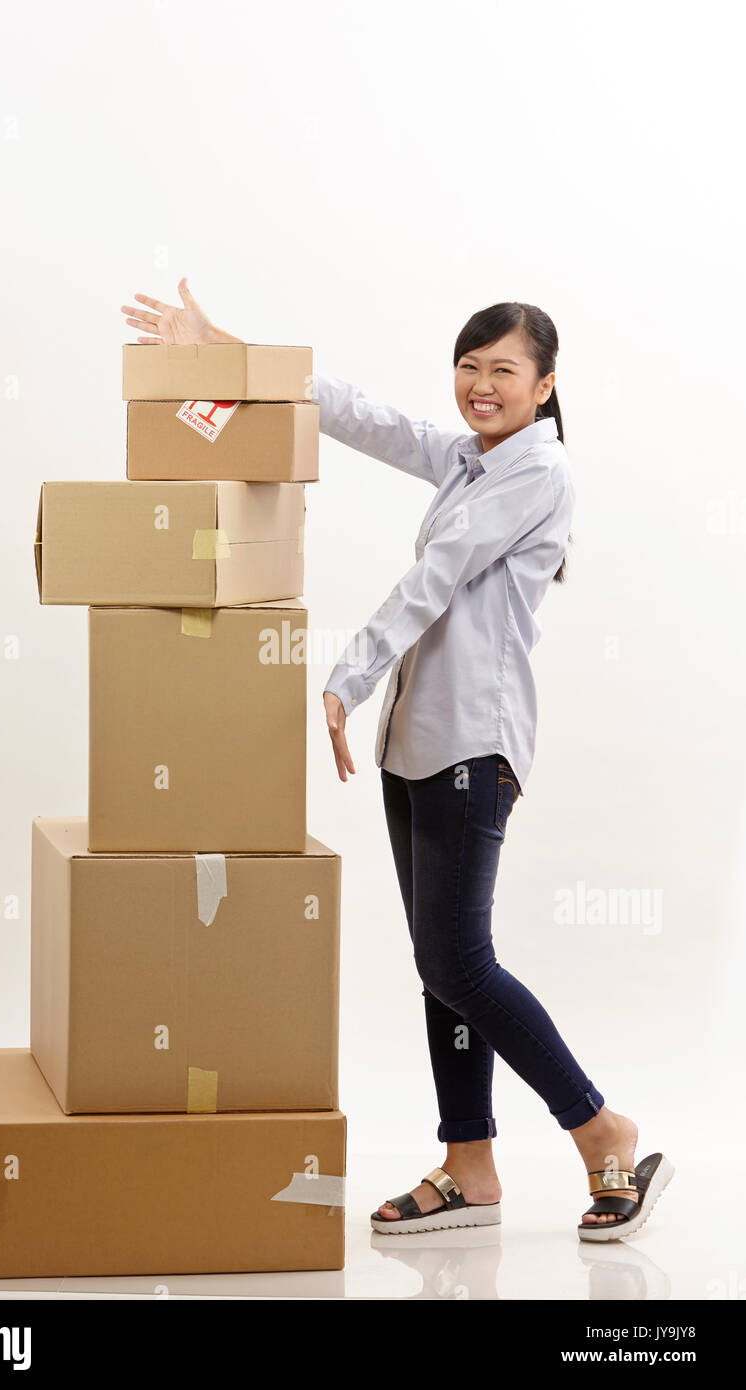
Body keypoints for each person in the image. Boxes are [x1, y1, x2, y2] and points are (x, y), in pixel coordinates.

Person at [120, 279, 673, 1242]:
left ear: (546, 386)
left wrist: (346, 675)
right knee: (440, 968)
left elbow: (438, 574)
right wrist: (225, 349)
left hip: (471, 747)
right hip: (416, 747)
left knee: (461, 960)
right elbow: (358, 414)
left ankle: (599, 1127)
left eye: (504, 369)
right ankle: (469, 1164)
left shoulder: (539, 474)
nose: (482, 385)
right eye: (469, 367)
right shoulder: (470, 458)